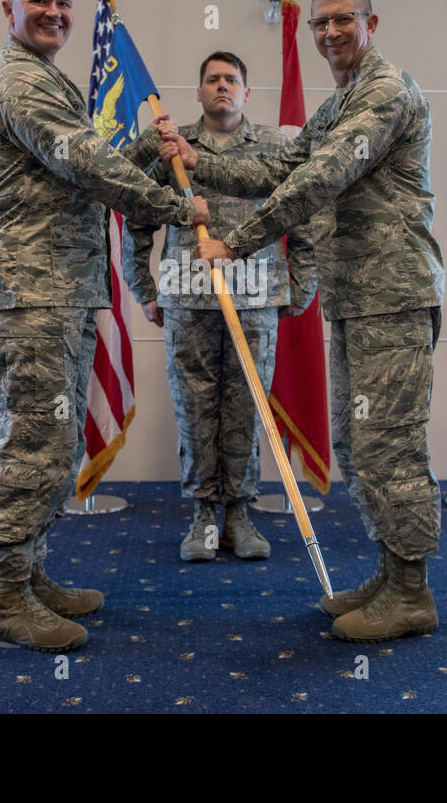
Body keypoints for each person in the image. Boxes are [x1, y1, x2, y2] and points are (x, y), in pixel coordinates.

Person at [162, 0, 445, 643]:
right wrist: (201, 162)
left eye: (343, 20)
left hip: (394, 296)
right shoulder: (338, 103)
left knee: (391, 446)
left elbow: (320, 179)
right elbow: (282, 163)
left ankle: (412, 591)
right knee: (356, 441)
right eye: (319, 23)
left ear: (372, 22)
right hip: (356, 300)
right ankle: (388, 572)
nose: (329, 33)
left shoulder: (383, 91)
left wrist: (238, 240)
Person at [0, 0, 210, 652]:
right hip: (31, 286)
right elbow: (82, 161)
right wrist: (175, 203)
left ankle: (32, 571)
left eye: (63, 3)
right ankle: (8, 595)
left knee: (59, 437)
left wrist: (145, 145)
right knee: (36, 440)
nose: (54, 13)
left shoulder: (46, 78)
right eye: (38, 1)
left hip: (61, 285)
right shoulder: (18, 80)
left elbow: (86, 159)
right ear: (9, 10)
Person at [122, 51, 317, 563]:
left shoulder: (274, 147)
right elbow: (138, 218)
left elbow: (304, 216)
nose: (222, 87)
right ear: (200, 91)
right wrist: (143, 287)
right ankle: (203, 515)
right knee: (195, 409)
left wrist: (304, 285)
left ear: (247, 92)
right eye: (212, 80)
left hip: (255, 298)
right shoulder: (173, 149)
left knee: (248, 409)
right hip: (189, 297)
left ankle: (240, 514)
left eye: (232, 79)